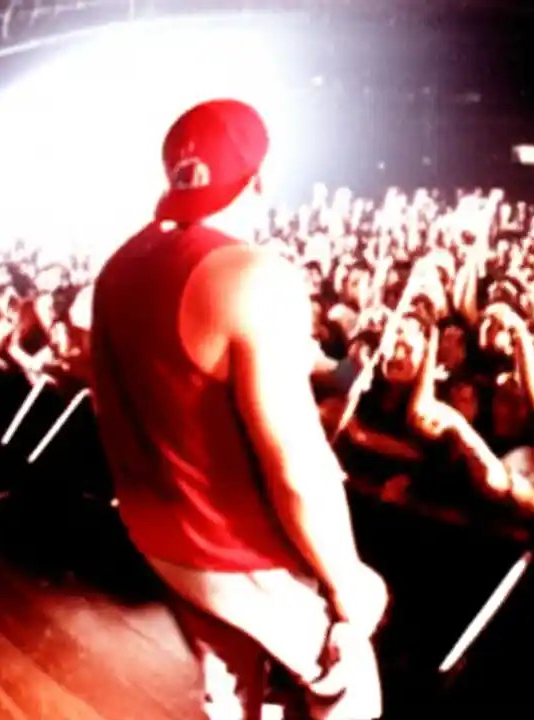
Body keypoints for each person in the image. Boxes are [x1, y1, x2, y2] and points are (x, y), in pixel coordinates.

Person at [89, 99, 386, 720]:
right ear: (258, 178)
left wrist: (341, 369)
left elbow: (204, 355)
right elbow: (297, 471)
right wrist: (349, 580)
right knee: (349, 688)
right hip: (236, 554)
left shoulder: (119, 269)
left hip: (159, 536)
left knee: (231, 691)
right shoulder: (253, 274)